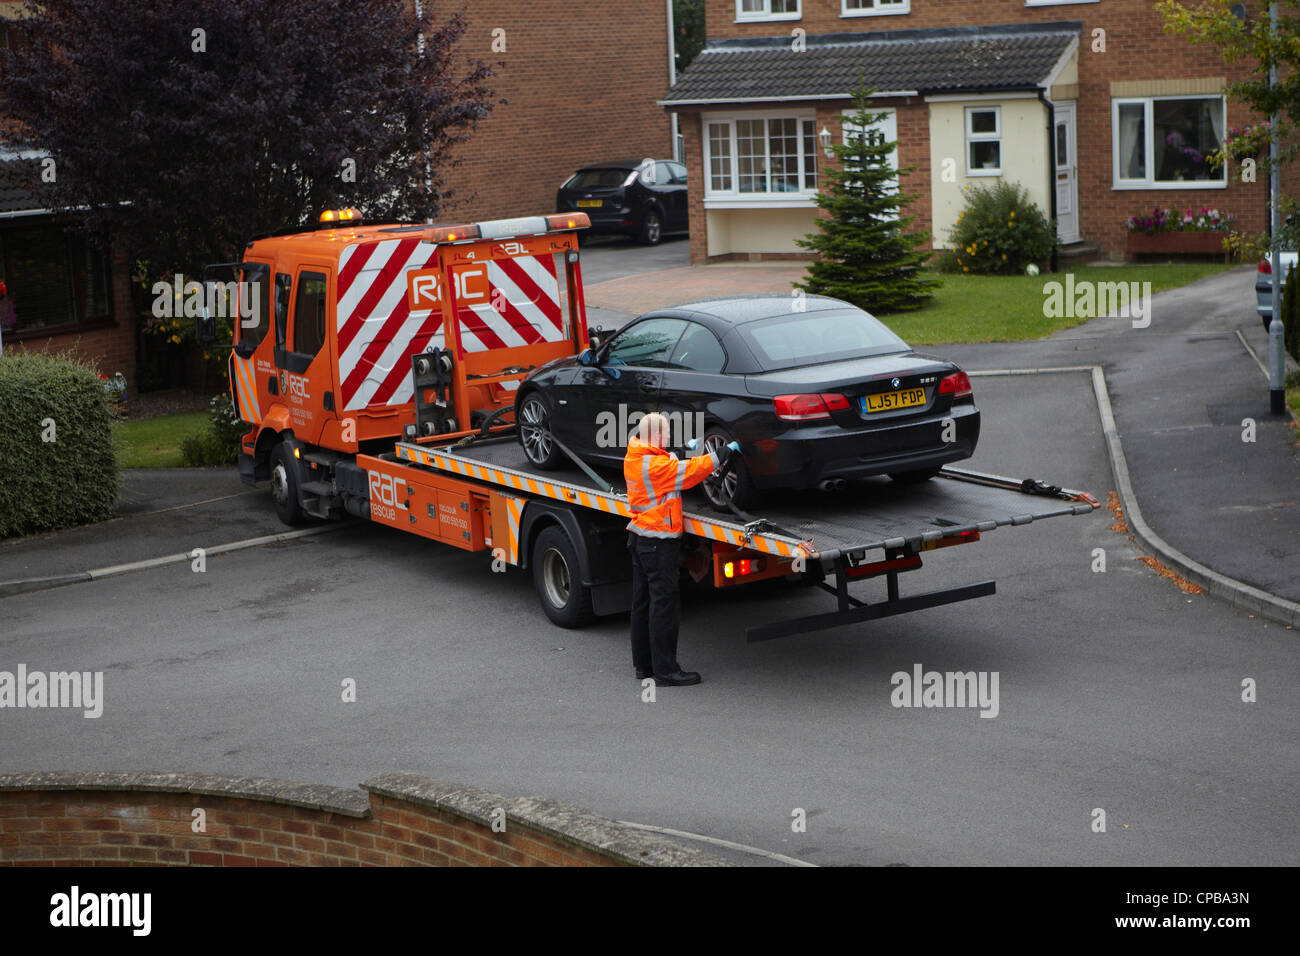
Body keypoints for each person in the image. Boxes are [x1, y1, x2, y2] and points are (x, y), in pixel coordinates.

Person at [624, 412, 739, 686]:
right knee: (664, 606)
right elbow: (690, 472)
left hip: (640, 538)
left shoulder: (636, 456)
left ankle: (644, 666)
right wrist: (721, 454)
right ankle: (666, 672)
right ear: (654, 436)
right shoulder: (656, 467)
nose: (667, 437)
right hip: (658, 542)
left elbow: (668, 460)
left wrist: (683, 449)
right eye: (665, 434)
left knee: (642, 604)